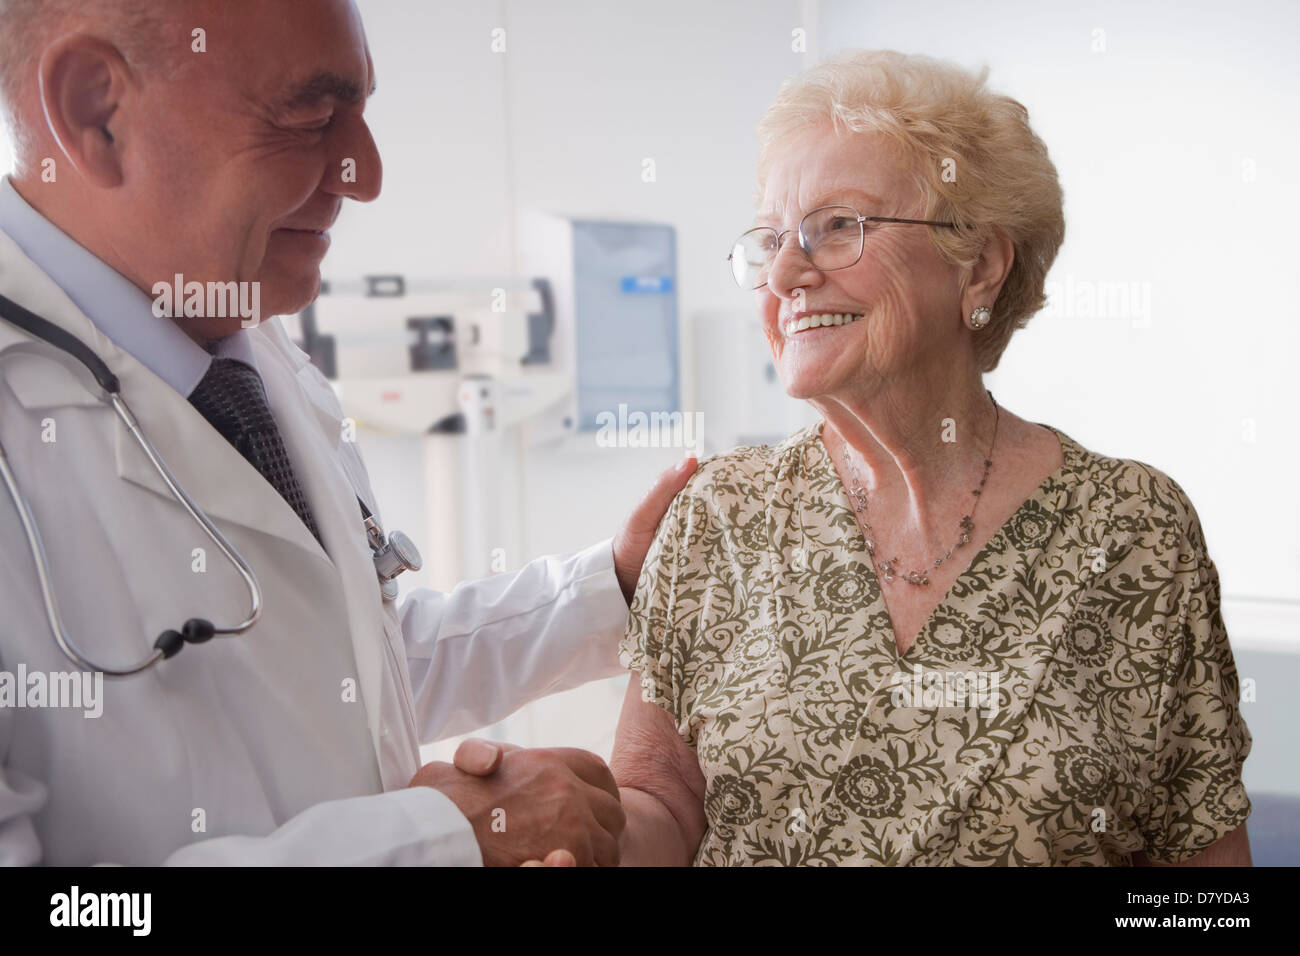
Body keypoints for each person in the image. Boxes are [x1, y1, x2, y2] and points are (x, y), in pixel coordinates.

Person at [0, 0, 695, 866]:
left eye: (363, 112)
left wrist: (613, 587)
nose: (365, 173)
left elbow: (342, 667)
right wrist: (439, 842)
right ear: (95, 111)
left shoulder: (241, 336)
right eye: (312, 116)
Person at [611, 49, 1253, 866]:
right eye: (772, 239)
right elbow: (658, 804)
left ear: (978, 263)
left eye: (838, 226)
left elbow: (1205, 872)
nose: (784, 273)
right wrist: (569, 825)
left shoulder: (1135, 529)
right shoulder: (720, 518)